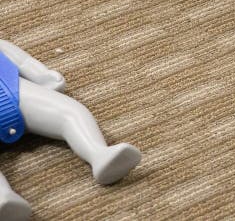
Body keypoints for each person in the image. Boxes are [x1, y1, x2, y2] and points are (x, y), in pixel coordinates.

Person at [0, 39, 141, 220]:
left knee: (69, 111)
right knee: (69, 112)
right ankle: (4, 200)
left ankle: (99, 153)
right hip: (14, 90)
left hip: (11, 89)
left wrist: (41, 75)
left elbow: (21, 61)